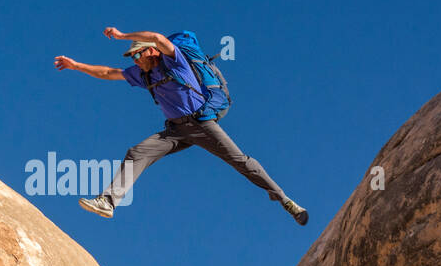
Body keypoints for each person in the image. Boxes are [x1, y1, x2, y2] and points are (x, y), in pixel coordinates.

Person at [54, 27, 308, 225]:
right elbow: (109, 73)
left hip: (201, 124)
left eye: (137, 54)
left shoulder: (175, 62)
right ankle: (108, 202)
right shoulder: (144, 75)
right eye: (132, 57)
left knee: (240, 161)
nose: (135, 60)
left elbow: (156, 36)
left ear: (151, 51)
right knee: (137, 152)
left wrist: (122, 36)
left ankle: (284, 199)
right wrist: (76, 66)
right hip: (176, 130)